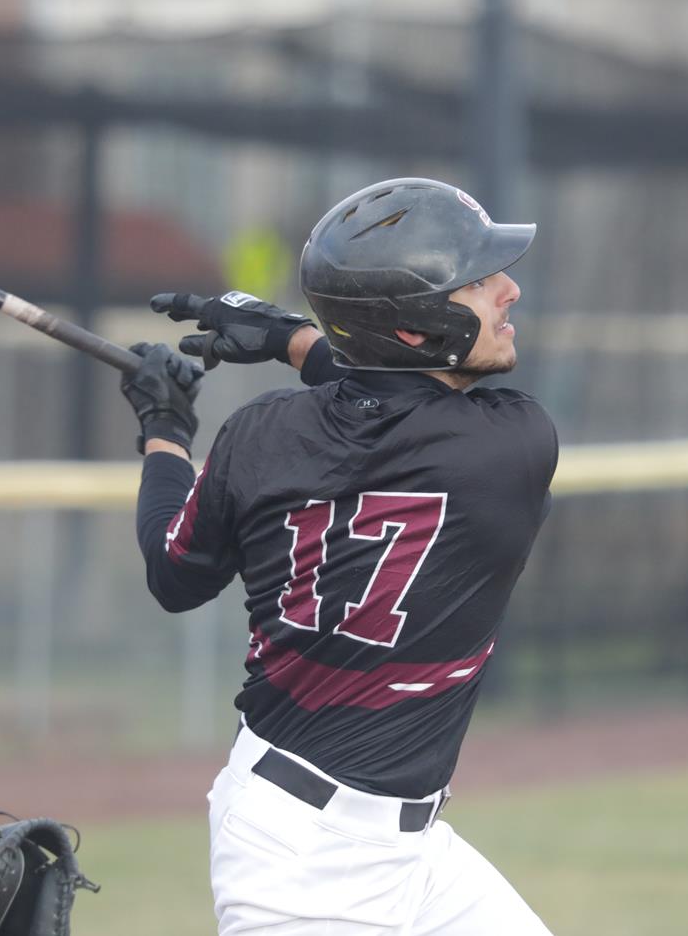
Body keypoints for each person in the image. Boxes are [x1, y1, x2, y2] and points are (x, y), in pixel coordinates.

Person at [120, 178, 558, 934]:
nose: (509, 291)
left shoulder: (258, 435)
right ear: (420, 329)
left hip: (400, 851)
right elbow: (389, 395)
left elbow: (173, 573)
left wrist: (164, 431)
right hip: (301, 870)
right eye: (481, 282)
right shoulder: (510, 445)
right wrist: (286, 337)